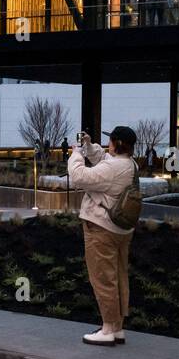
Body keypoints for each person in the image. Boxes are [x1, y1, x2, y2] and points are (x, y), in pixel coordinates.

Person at [68, 126, 138, 346]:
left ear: (116, 143)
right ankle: (117, 327)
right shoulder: (130, 165)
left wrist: (77, 154)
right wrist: (89, 146)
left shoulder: (114, 168)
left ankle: (107, 328)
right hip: (121, 230)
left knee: (103, 278)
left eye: (111, 141)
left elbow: (79, 177)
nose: (108, 145)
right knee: (118, 276)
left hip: (101, 228)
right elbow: (104, 159)